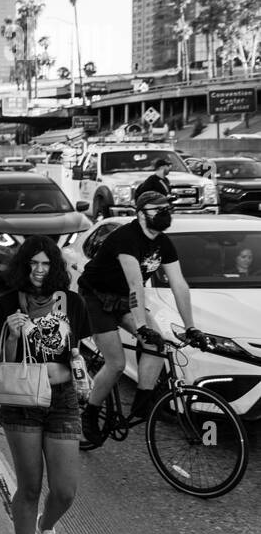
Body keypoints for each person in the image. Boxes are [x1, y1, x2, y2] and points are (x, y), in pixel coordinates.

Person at [0, 237, 89, 534]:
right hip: (21, 403)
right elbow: (5, 364)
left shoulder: (72, 304)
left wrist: (83, 374)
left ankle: (46, 531)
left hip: (62, 401)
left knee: (64, 490)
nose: (39, 271)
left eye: (47, 265)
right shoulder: (5, 305)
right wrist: (14, 335)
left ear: (56, 267)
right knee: (29, 487)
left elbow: (76, 352)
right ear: (23, 266)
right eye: (33, 264)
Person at [76, 191, 205, 447]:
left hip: (124, 299)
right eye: (157, 210)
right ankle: (89, 414)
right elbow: (136, 284)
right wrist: (142, 326)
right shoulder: (126, 238)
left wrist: (191, 327)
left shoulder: (163, 243)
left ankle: (143, 402)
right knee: (116, 364)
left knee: (157, 346)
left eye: (166, 208)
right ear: (141, 213)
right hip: (95, 297)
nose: (164, 213)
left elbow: (179, 284)